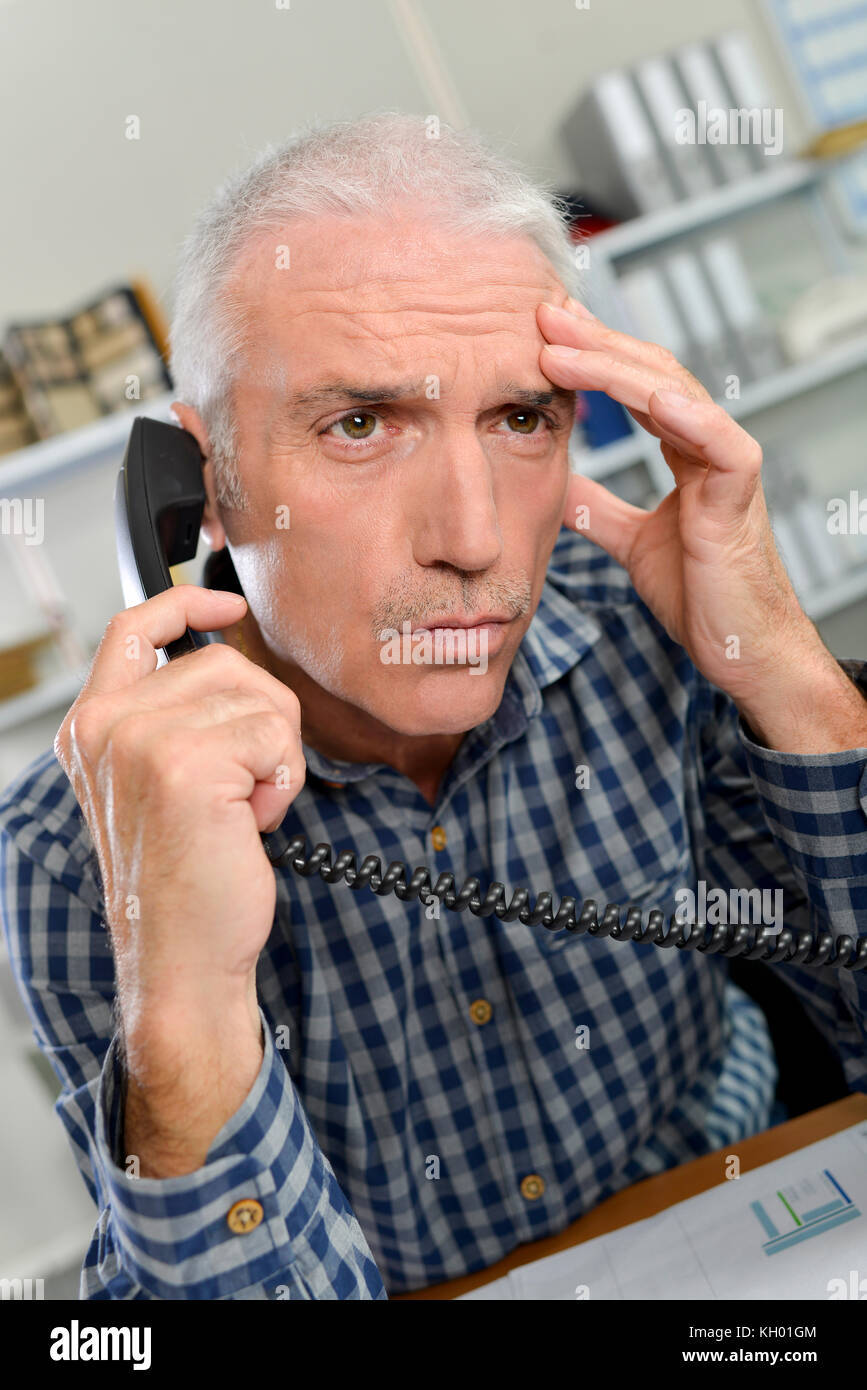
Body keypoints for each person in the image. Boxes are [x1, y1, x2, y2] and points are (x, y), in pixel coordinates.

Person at [2, 112, 866, 1301]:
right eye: (360, 424)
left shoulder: (643, 630)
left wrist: (790, 673)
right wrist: (186, 996)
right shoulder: (76, 832)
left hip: (732, 1214)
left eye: (522, 420)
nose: (473, 541)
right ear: (198, 485)